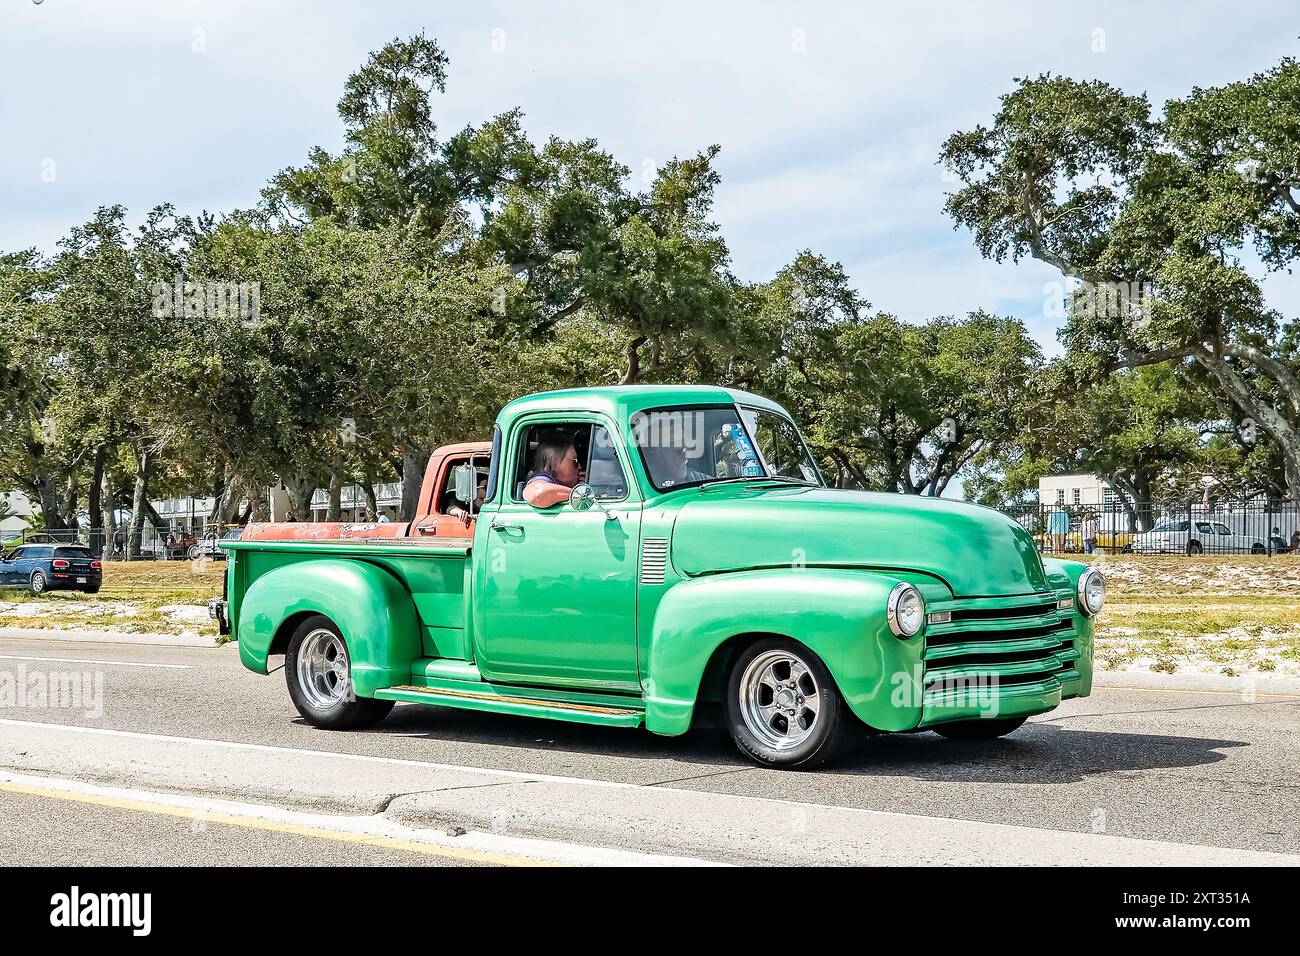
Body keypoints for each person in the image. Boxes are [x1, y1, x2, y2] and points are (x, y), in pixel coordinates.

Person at [524, 433, 585, 508]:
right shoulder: (543, 479)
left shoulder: (562, 482)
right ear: (554, 463)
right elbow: (537, 494)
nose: (579, 466)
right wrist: (579, 494)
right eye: (575, 461)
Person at [647, 443, 712, 487]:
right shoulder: (647, 486)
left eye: (686, 451)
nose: (686, 458)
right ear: (660, 457)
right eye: (679, 452)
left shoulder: (698, 479)